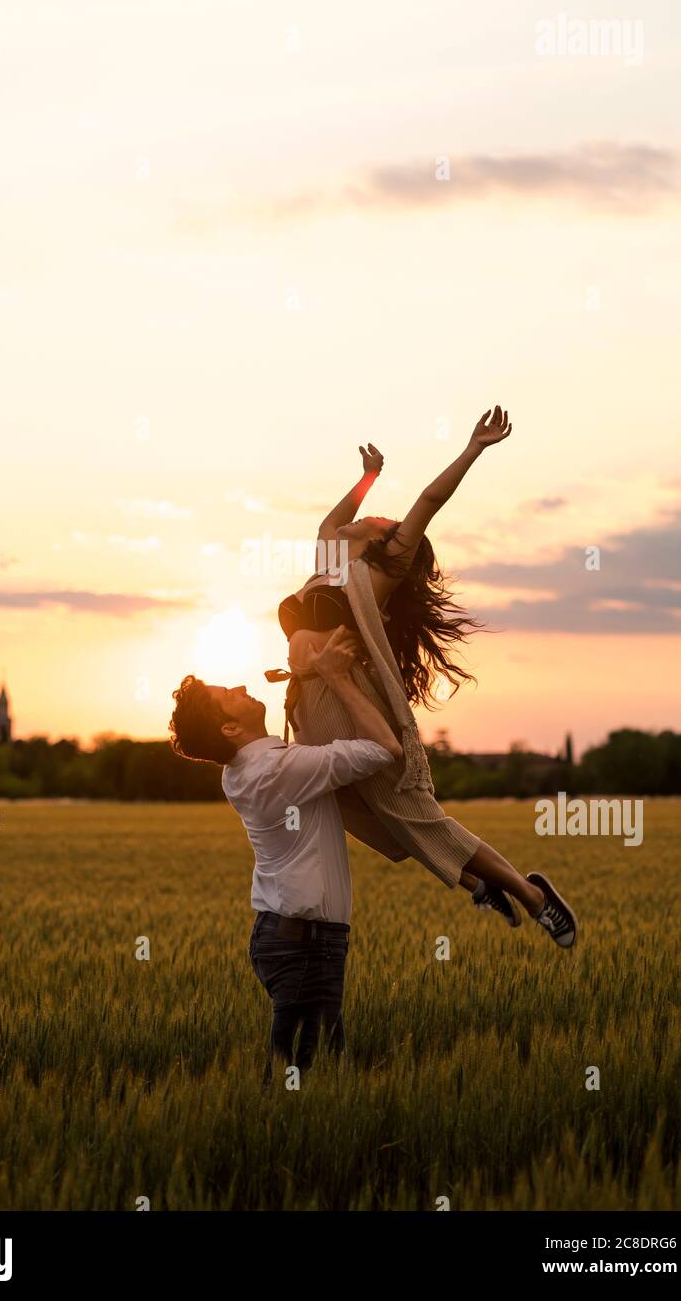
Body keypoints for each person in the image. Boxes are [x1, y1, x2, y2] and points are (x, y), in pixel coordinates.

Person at [270, 408, 578, 948]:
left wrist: (474, 448)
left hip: (346, 702)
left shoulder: (376, 573)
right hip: (307, 706)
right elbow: (328, 524)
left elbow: (429, 503)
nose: (373, 517)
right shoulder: (327, 563)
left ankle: (533, 896)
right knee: (358, 812)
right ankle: (478, 882)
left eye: (382, 519)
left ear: (383, 541)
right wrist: (368, 478)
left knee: (413, 813)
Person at [169, 626, 402, 1082]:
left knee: (309, 1070)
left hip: (289, 936)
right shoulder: (277, 769)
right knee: (303, 1075)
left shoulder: (245, 769)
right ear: (230, 728)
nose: (240, 686)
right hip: (305, 941)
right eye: (228, 695)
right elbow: (385, 748)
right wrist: (336, 678)